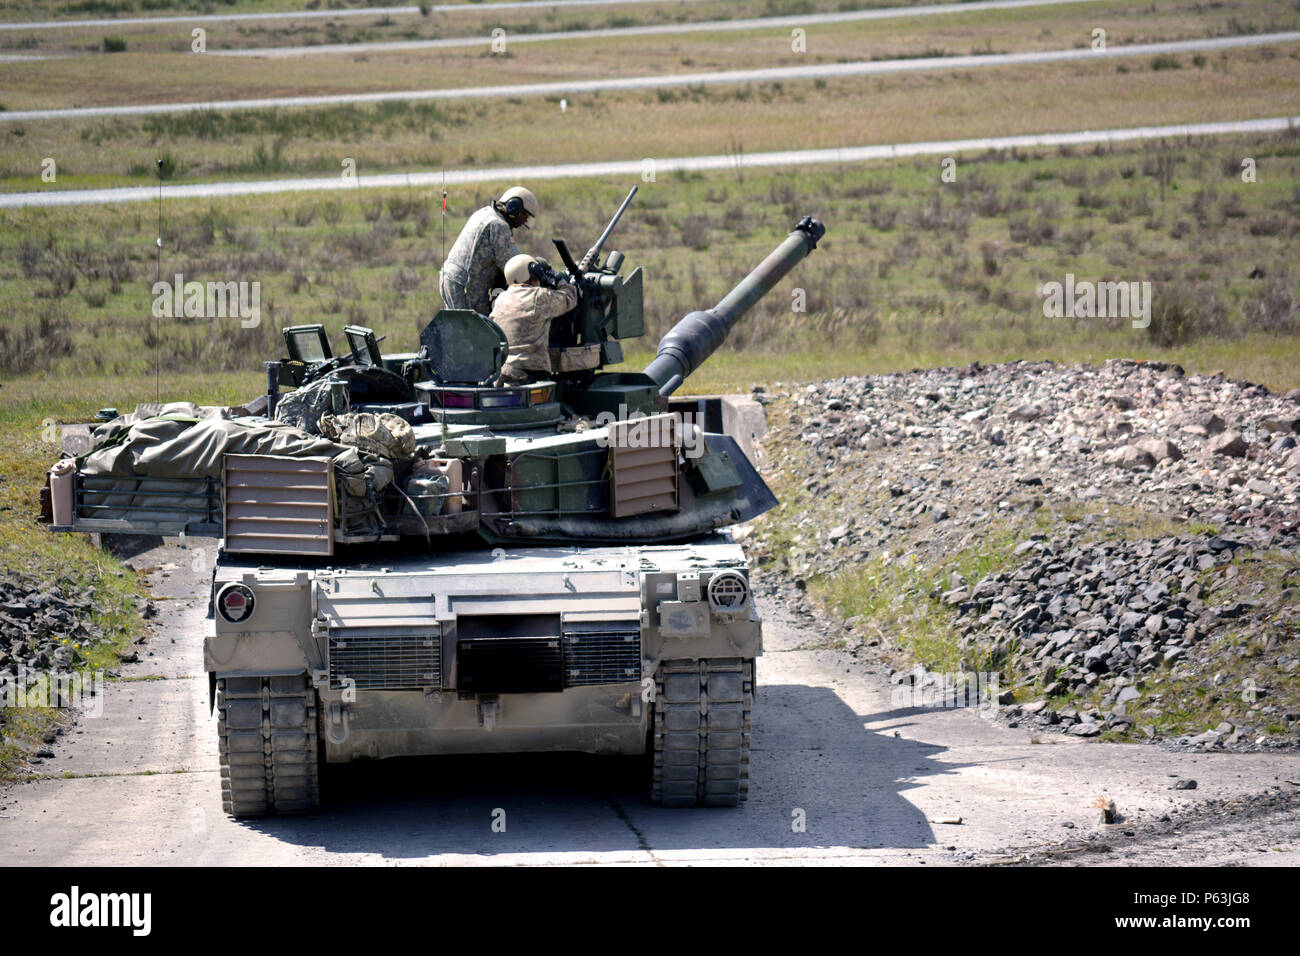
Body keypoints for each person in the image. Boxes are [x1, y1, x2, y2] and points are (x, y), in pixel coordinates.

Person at [438, 186, 539, 316]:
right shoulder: (498, 226)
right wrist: (538, 268)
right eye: (525, 214)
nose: (525, 220)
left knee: (460, 329)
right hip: (467, 288)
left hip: (453, 280)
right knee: (477, 332)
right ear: (514, 207)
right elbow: (516, 265)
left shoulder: (485, 212)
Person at [491, 254, 578, 385]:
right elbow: (569, 297)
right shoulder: (538, 297)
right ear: (532, 273)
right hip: (530, 373)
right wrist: (558, 278)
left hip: (502, 371)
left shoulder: (501, 299)